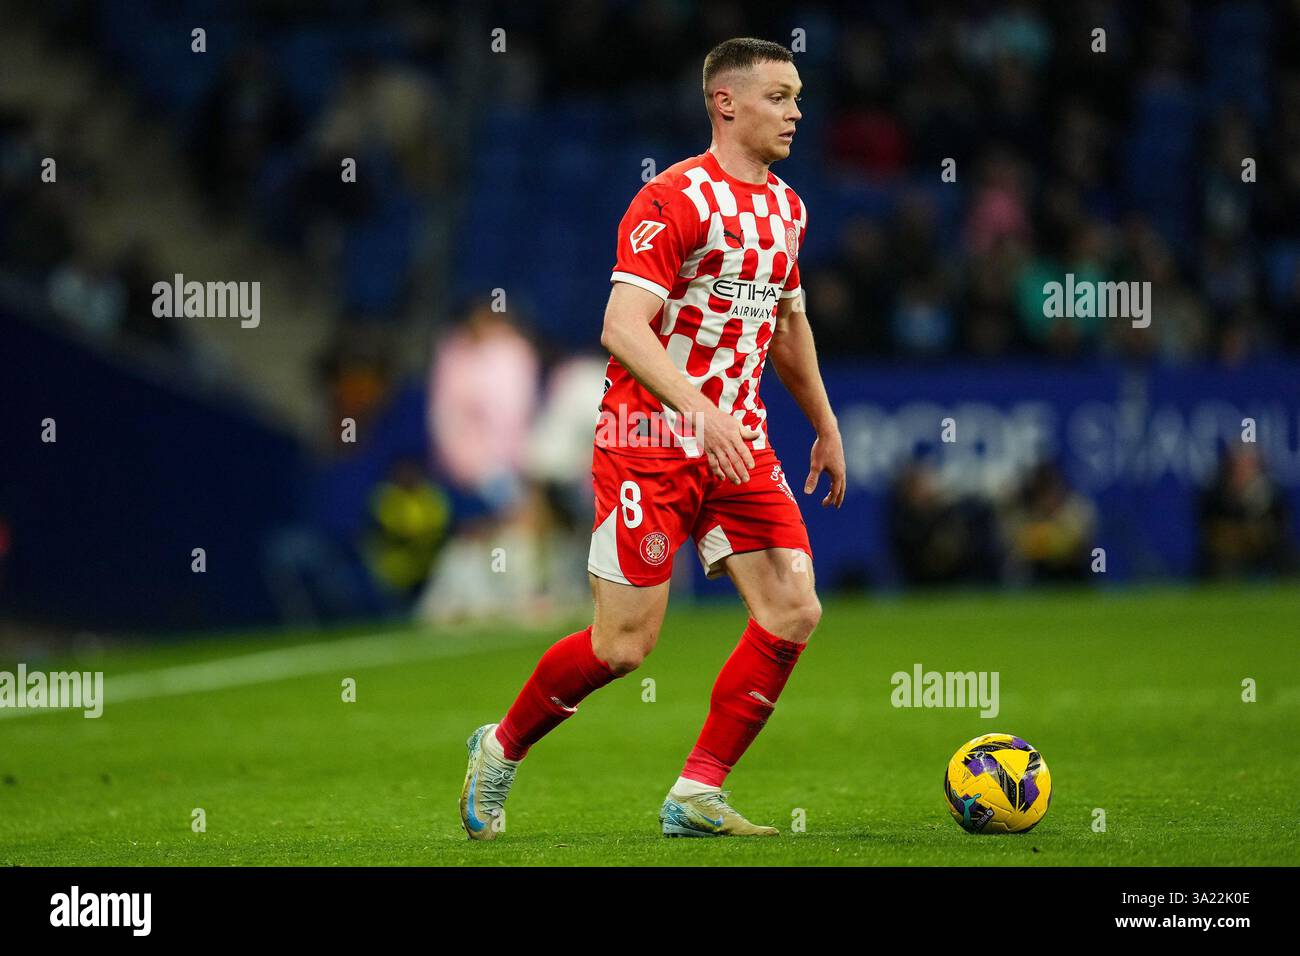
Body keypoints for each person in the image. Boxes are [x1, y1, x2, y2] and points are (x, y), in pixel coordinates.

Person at [459, 38, 846, 840]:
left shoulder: (788, 209)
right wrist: (697, 408)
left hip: (738, 444)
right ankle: (498, 747)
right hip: (648, 441)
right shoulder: (672, 200)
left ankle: (696, 793)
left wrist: (824, 423)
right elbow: (621, 327)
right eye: (779, 96)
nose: (797, 112)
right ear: (726, 102)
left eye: (799, 95)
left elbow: (787, 326)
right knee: (622, 646)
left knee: (792, 608)